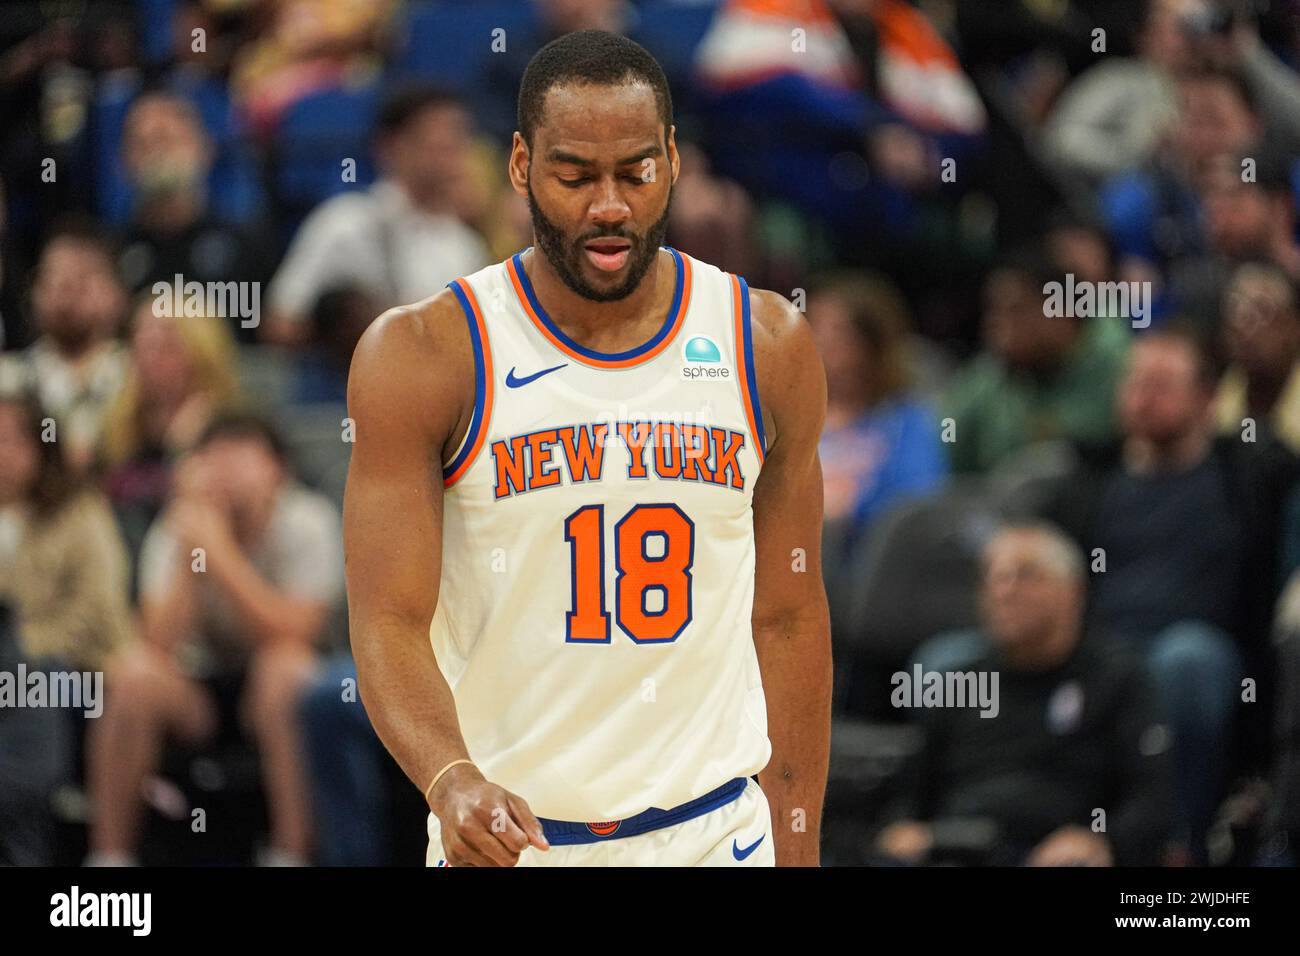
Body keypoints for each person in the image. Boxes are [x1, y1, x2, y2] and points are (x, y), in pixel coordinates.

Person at [344, 30, 832, 867]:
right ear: (521, 165)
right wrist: (449, 776)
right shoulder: (428, 354)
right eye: (574, 176)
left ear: (674, 162)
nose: (609, 205)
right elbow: (388, 621)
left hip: (714, 833)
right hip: (511, 841)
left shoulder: (765, 343)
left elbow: (787, 618)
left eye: (635, 173)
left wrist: (799, 844)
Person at [1041, 327, 1298, 862]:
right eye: (1132, 382)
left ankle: (1179, 847)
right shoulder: (1087, 481)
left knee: (1184, 661)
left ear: (1208, 398)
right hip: (1095, 652)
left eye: (1161, 384)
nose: (1141, 397)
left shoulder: (1250, 475)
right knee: (952, 661)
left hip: (1207, 656)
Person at [87, 412, 343, 866]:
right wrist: (195, 555)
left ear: (277, 469)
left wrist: (221, 555)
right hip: (199, 689)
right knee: (133, 675)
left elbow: (296, 631)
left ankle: (290, 854)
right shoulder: (180, 525)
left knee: (284, 667)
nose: (225, 466)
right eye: (213, 452)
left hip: (277, 691)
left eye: (241, 450)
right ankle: (110, 860)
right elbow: (157, 642)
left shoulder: (306, 522)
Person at [876, 523, 1174, 866]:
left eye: (1025, 575)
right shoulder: (958, 683)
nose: (1003, 590)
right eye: (993, 577)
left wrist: (1102, 843)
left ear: (1072, 591)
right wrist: (902, 831)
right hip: (955, 852)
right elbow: (910, 794)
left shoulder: (1119, 679)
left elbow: (1150, 798)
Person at [0, 394, 135, 865]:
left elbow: (97, 612)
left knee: (33, 682)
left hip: (80, 676)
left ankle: (27, 847)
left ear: (43, 447)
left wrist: (19, 652)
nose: (2, 453)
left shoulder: (80, 512)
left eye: (13, 440)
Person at [263, 85, 491, 346]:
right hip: (346, 378)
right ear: (393, 146)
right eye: (439, 145)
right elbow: (280, 322)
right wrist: (345, 326)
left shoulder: (464, 244)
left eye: (457, 142)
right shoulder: (345, 221)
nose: (452, 155)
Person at [98, 294, 241, 593]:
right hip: (121, 572)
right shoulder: (116, 430)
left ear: (200, 348)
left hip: (194, 577)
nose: (151, 352)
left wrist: (184, 448)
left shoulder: (231, 427)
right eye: (143, 338)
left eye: (166, 339)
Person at [942, 248, 1130, 473]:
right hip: (994, 502)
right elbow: (946, 430)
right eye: (993, 310)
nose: (996, 325)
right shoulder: (987, 377)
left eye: (1015, 310)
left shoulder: (1119, 370)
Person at [115, 92, 272, 344]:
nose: (158, 154)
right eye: (143, 144)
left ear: (205, 149)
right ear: (123, 161)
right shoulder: (113, 255)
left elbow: (270, 343)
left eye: (167, 140)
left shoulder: (246, 246)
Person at [809, 272, 947, 556]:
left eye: (838, 333)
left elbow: (919, 503)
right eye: (814, 329)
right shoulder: (789, 418)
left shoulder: (906, 422)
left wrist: (854, 508)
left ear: (872, 344)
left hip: (870, 567)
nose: (821, 344)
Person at [0, 219, 129, 473]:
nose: (66, 290)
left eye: (83, 277)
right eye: (54, 276)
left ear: (117, 292)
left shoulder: (140, 376)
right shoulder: (7, 379)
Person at [1215, 261, 1300, 453]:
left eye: (1263, 312)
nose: (1247, 330)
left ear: (1293, 326)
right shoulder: (1218, 406)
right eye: (1237, 314)